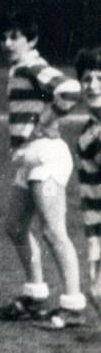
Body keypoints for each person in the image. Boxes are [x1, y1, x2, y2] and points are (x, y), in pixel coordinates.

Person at [0, 12, 86, 329]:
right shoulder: (19, 68)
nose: (7, 43)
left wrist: (47, 120)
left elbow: (72, 89)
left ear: (31, 40)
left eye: (15, 37)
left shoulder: (32, 65)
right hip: (29, 160)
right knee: (15, 226)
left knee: (52, 230)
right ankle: (35, 296)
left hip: (46, 158)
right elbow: (51, 96)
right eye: (4, 37)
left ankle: (73, 305)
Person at [71, 46, 100, 313]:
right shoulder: (87, 138)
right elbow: (91, 198)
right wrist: (93, 241)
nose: (93, 86)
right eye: (87, 79)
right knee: (97, 293)